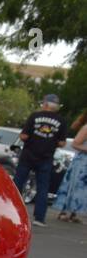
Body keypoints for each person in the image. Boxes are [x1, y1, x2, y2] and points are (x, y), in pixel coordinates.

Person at [14, 94, 70, 226]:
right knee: (43, 188)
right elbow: (62, 143)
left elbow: (23, 136)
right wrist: (50, 140)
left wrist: (34, 137)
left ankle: (12, 212)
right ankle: (39, 218)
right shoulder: (61, 121)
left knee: (17, 184)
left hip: (28, 155)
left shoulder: (35, 116)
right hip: (46, 158)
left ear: (45, 104)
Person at [54, 112, 87, 223]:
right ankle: (64, 212)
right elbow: (75, 144)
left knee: (81, 190)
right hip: (81, 163)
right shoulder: (86, 128)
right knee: (73, 186)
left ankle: (74, 213)